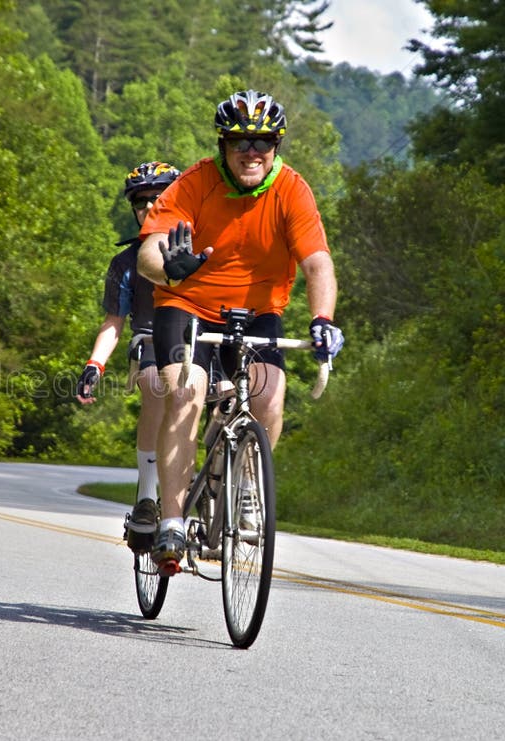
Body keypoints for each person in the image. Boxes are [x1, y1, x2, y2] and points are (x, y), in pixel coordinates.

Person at [137, 90, 344, 569]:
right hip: (186, 304)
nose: (252, 151)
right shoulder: (195, 183)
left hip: (255, 313)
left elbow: (317, 264)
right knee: (187, 389)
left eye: (263, 141)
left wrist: (323, 320)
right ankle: (171, 524)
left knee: (270, 393)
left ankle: (247, 486)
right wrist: (173, 268)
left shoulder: (292, 189)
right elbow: (149, 252)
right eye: (239, 141)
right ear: (223, 146)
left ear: (276, 145)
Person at [76, 161, 181, 551]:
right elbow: (114, 322)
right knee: (156, 387)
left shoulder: (201, 248)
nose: (151, 207)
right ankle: (148, 498)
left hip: (198, 340)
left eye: (160, 198)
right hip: (151, 342)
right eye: (142, 202)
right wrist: (94, 365)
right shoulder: (125, 263)